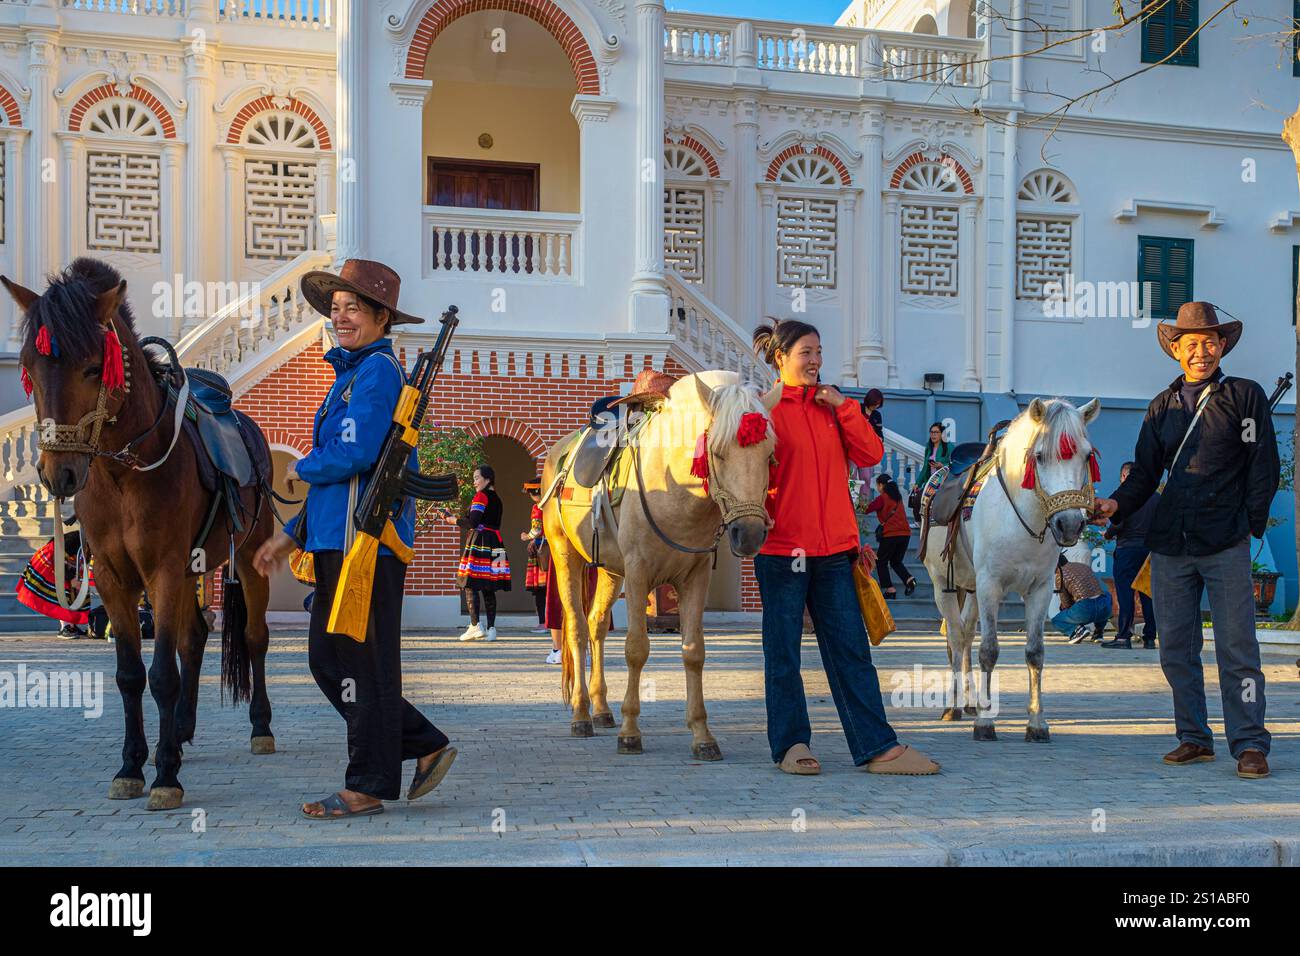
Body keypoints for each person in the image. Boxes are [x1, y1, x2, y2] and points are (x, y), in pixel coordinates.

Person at [253, 258, 456, 819]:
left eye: (353, 308)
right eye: (335, 309)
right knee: (330, 662)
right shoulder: (350, 374)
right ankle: (423, 743)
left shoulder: (378, 372)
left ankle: (367, 783)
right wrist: (290, 539)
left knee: (362, 664)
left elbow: (358, 455)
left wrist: (304, 467)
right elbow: (339, 491)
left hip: (369, 545)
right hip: (338, 542)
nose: (340, 317)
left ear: (380, 316)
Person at [1095, 301, 1279, 780]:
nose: (1202, 351)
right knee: (1174, 647)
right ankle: (1193, 737)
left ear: (1222, 346)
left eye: (1210, 342)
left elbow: (1263, 463)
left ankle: (1250, 743)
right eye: (1191, 343)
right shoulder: (1161, 407)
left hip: (1225, 541)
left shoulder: (1245, 397)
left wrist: (1250, 525)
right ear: (1175, 349)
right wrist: (1115, 505)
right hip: (1170, 543)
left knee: (1237, 649)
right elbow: (1144, 475)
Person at [751, 317, 939, 777]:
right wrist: (762, 407)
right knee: (784, 653)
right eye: (805, 353)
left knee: (852, 650)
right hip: (782, 552)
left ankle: (877, 746)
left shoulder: (833, 407)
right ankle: (791, 743)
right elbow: (728, 455)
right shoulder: (760, 409)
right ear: (780, 358)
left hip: (835, 550)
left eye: (818, 352)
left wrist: (842, 405)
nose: (815, 361)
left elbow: (872, 454)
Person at [448, 464, 511, 642]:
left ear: (488, 479)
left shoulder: (481, 496)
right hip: (495, 543)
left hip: (480, 543)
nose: (474, 482)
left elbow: (473, 522)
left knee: (470, 584)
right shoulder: (497, 499)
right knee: (489, 587)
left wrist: (453, 520)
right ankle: (491, 629)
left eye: (477, 478)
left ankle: (475, 626)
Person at [1101, 461, 1158, 650]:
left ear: (1125, 476)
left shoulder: (1127, 498)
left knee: (1125, 594)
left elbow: (1119, 524)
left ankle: (1124, 637)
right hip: (1149, 552)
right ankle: (1150, 637)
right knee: (1147, 594)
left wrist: (1108, 534)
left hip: (1127, 550)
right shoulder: (1156, 497)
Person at [865, 475, 916, 598]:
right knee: (895, 561)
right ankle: (909, 580)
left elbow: (867, 509)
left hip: (891, 535)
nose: (877, 487)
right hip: (905, 534)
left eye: (878, 485)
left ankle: (890, 589)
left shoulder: (882, 498)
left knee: (881, 562)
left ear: (882, 485)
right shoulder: (898, 499)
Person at [1052, 553, 1112, 644]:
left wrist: (1065, 613)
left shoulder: (1060, 575)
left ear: (1055, 564)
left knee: (1056, 620)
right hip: (1104, 607)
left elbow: (1066, 604)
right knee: (1104, 597)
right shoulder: (1083, 566)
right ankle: (1098, 633)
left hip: (1085, 609)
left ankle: (1077, 631)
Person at [520, 480, 553, 639]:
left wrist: (528, 536)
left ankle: (543, 622)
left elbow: (537, 529)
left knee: (541, 589)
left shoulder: (537, 507)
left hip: (542, 553)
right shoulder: (553, 504)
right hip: (555, 549)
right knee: (553, 589)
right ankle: (553, 621)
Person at [914, 422, 953, 521]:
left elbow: (954, 464)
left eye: (936, 432)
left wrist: (942, 465)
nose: (933, 435)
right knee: (918, 498)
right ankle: (919, 522)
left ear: (941, 434)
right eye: (931, 432)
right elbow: (924, 468)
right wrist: (918, 483)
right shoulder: (929, 448)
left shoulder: (949, 446)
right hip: (930, 482)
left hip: (943, 482)